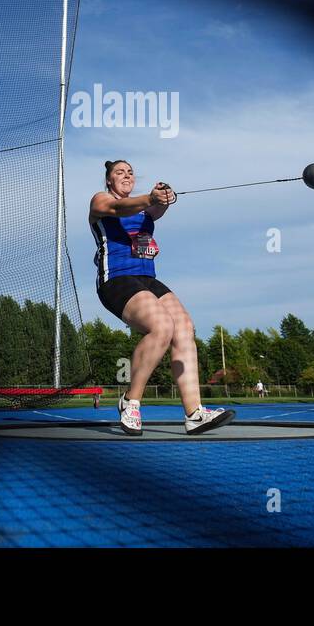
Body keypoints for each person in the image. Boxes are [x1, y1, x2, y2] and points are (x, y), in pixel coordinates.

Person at [91, 160, 234, 436]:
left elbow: (156, 208)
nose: (126, 175)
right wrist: (150, 198)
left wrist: (165, 196)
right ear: (109, 181)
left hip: (147, 279)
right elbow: (119, 208)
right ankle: (131, 402)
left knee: (183, 328)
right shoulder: (101, 200)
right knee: (162, 327)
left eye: (130, 172)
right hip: (116, 279)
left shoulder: (144, 208)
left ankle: (195, 414)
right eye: (119, 172)